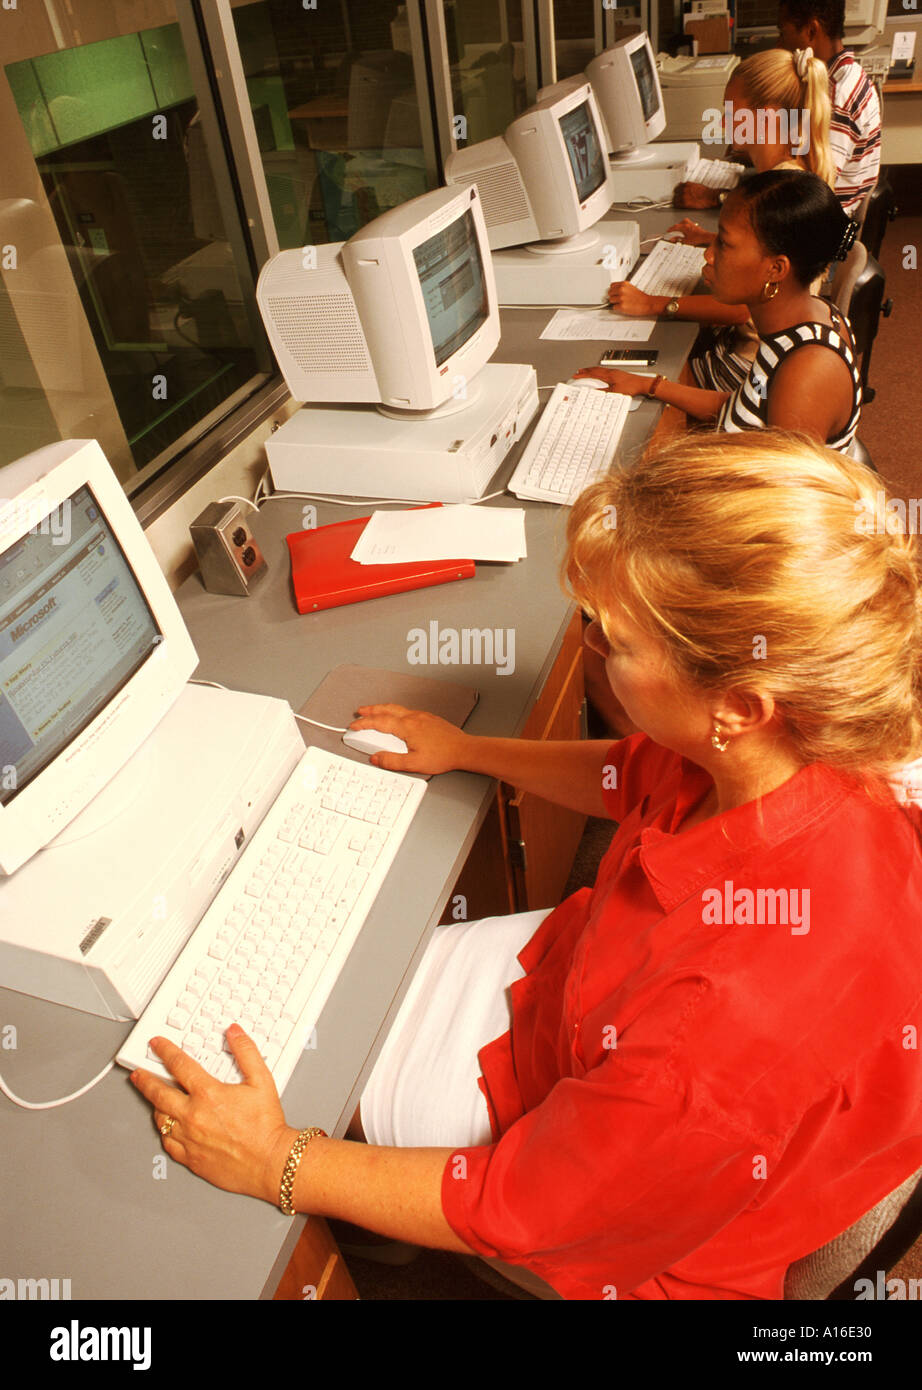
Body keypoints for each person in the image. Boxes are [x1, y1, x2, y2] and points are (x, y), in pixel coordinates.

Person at [129, 429, 922, 1301]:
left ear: (737, 704)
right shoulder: (809, 740)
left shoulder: (721, 1029)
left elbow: (528, 1206)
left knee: (314, 1058)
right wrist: (469, 749)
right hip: (589, 997)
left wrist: (281, 1161)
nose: (590, 649)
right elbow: (630, 774)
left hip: (620, 1199)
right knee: (349, 979)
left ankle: (370, 1230)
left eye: (615, 641)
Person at [579, 170, 862, 452]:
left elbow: (778, 493)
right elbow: (744, 405)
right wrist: (650, 385)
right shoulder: (803, 319)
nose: (708, 254)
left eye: (724, 244)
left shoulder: (807, 372)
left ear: (775, 269)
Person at [611, 47, 837, 392]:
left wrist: (651, 303)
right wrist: (712, 239)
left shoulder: (779, 189)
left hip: (754, 368)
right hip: (768, 355)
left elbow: (743, 311)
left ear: (770, 116)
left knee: (649, 375)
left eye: (732, 110)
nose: (723, 120)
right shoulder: (787, 175)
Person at [777, 0, 881, 216]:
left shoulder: (837, 94)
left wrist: (722, 195)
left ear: (811, 30)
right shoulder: (841, 76)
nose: (779, 44)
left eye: (783, 32)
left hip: (825, 220)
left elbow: (812, 190)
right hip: (821, 206)